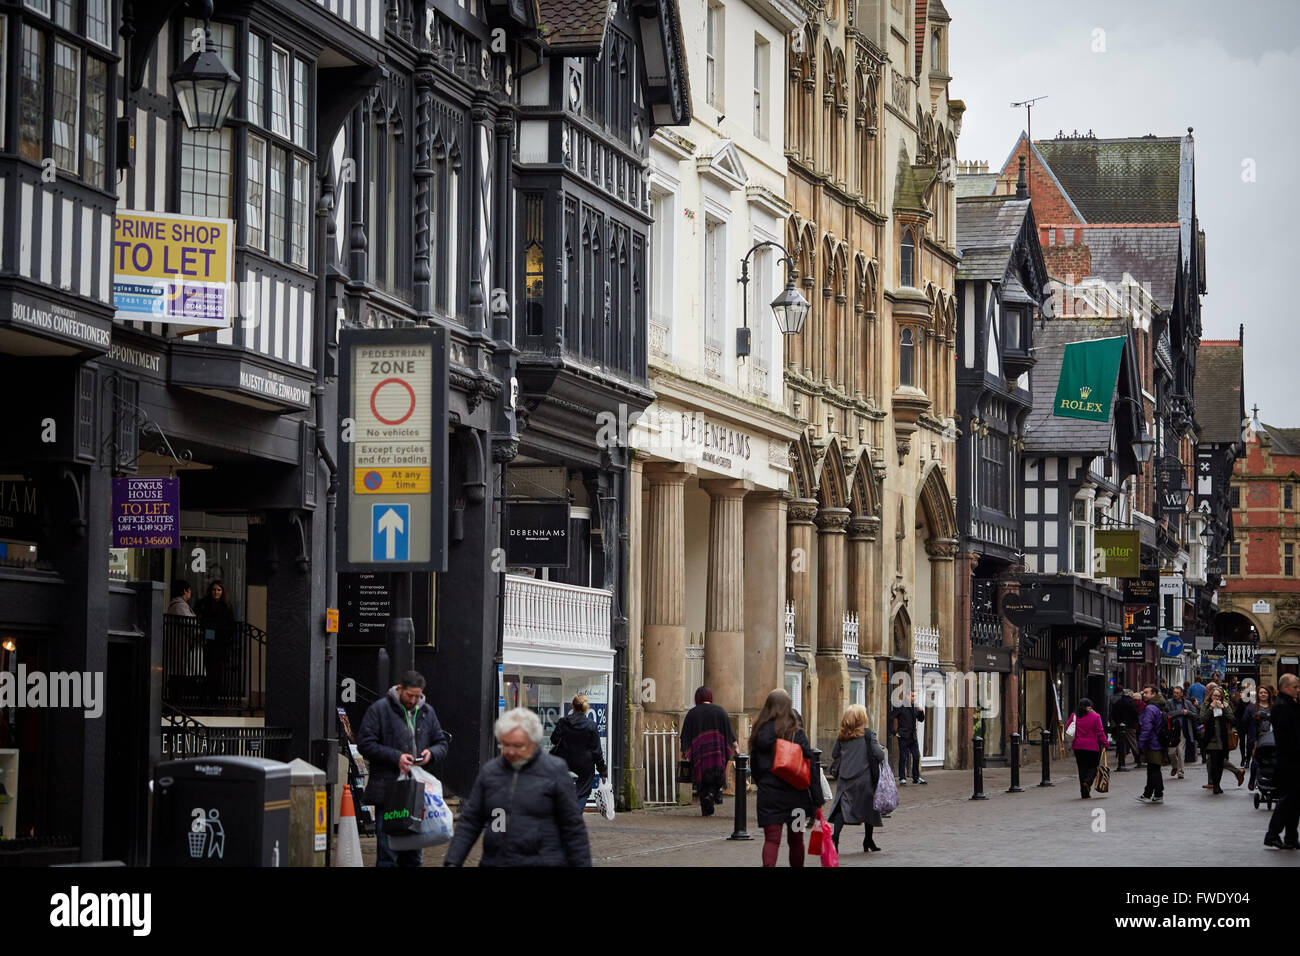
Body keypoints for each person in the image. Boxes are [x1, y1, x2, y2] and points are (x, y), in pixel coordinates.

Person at [444, 708, 591, 866]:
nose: (511, 752)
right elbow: (470, 821)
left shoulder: (555, 771)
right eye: (506, 745)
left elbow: (573, 829)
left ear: (533, 742)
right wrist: (452, 861)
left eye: (518, 745)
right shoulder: (490, 772)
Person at [357, 670, 451, 867]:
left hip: (416, 792)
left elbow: (441, 743)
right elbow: (365, 744)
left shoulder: (427, 712)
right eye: (410, 695)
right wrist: (396, 757)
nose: (414, 700)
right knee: (388, 852)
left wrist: (431, 754)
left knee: (414, 853)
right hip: (388, 792)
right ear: (399, 689)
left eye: (418, 696)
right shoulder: (380, 710)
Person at [749, 688, 823, 867]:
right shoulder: (796, 733)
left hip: (769, 797)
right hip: (796, 797)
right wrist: (817, 797)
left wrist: (763, 783)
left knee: (771, 840)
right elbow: (810, 765)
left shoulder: (759, 733)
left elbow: (755, 766)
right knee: (796, 840)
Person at [827, 704, 885, 853]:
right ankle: (868, 840)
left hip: (845, 778)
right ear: (862, 719)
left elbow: (834, 754)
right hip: (864, 779)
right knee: (869, 808)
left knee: (842, 808)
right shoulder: (869, 734)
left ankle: (835, 838)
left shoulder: (842, 736)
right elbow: (879, 755)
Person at [679, 686, 736, 816]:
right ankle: (712, 794)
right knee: (717, 778)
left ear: (697, 698)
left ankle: (706, 806)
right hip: (718, 754)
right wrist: (735, 746)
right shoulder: (721, 711)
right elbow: (729, 732)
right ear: (710, 697)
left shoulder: (692, 713)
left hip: (700, 755)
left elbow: (685, 735)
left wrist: (684, 750)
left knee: (702, 780)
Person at [550, 694, 607, 808]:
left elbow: (554, 739)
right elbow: (596, 752)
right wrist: (602, 771)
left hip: (565, 764)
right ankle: (576, 816)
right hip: (585, 767)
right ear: (586, 708)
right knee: (582, 793)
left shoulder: (563, 722)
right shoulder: (591, 725)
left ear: (572, 706)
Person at [1264, 674, 1300, 850]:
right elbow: (1287, 737)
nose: (1298, 689)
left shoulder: (1290, 704)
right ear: (1285, 687)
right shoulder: (1282, 707)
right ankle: (1272, 835)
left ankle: (1291, 837)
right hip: (1289, 761)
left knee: (1295, 801)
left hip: (1293, 760)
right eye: (1295, 687)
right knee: (1287, 800)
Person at [195, 580, 236, 696]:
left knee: (217, 672)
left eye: (219, 590)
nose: (216, 592)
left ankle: (215, 697)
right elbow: (199, 620)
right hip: (206, 643)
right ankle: (204, 696)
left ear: (222, 592)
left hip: (221, 644)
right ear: (210, 591)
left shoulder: (227, 606)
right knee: (205, 670)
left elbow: (230, 626)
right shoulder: (203, 604)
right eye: (214, 589)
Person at [1198, 685, 1238, 795]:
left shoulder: (1225, 705)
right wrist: (1210, 709)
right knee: (1214, 762)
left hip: (1222, 737)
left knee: (1220, 763)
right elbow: (1201, 719)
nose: (1217, 698)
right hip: (1211, 738)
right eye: (1215, 695)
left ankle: (1217, 784)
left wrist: (1224, 708)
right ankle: (1215, 785)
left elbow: (1232, 719)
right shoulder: (1205, 705)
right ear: (1211, 696)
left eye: (1219, 696)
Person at [1135, 684, 1169, 804]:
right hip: (1160, 741)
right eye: (1144, 692)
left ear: (1153, 694)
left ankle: (1158, 793)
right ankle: (1148, 793)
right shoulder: (1161, 705)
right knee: (1153, 768)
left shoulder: (1150, 708)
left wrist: (1141, 743)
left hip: (1153, 742)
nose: (1144, 694)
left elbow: (1147, 727)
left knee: (1153, 769)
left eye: (1146, 692)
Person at [1070, 698, 1110, 799]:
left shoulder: (1074, 716)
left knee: (1082, 769)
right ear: (1090, 706)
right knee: (1093, 767)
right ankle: (1087, 782)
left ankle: (1084, 793)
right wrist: (1105, 744)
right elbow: (1100, 732)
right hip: (1092, 747)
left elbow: (1068, 728)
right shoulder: (1096, 716)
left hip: (1078, 746)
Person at [890, 691, 926, 785]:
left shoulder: (915, 707)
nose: (914, 698)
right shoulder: (900, 706)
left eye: (915, 696)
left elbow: (921, 720)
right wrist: (894, 732)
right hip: (903, 736)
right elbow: (890, 718)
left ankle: (916, 778)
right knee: (904, 757)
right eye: (912, 696)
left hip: (913, 737)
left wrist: (921, 711)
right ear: (906, 696)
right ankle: (902, 778)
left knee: (916, 756)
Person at [1245, 685, 1275, 791]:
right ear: (1258, 694)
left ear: (1269, 694)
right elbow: (1245, 722)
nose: (1263, 694)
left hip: (1271, 738)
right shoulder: (1252, 707)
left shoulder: (1274, 707)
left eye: (1265, 693)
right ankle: (1252, 779)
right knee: (1256, 760)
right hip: (1257, 738)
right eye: (1261, 693)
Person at [1166, 685, 1194, 780]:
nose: (1175, 695)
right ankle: (1175, 766)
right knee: (1171, 752)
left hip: (1183, 729)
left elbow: (1195, 714)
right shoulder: (1169, 702)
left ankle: (1181, 772)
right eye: (1174, 692)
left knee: (1181, 751)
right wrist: (1181, 712)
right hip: (1173, 730)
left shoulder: (1187, 703)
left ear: (1182, 694)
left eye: (1177, 693)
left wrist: (1188, 713)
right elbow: (1168, 714)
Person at [1110, 685, 1140, 772]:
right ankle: (1138, 759)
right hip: (1130, 725)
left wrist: (1117, 722)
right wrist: (1135, 722)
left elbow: (1113, 714)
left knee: (1121, 744)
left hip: (1119, 726)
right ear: (1129, 694)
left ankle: (1121, 761)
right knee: (1133, 742)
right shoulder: (1131, 702)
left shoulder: (1118, 703)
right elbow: (1135, 713)